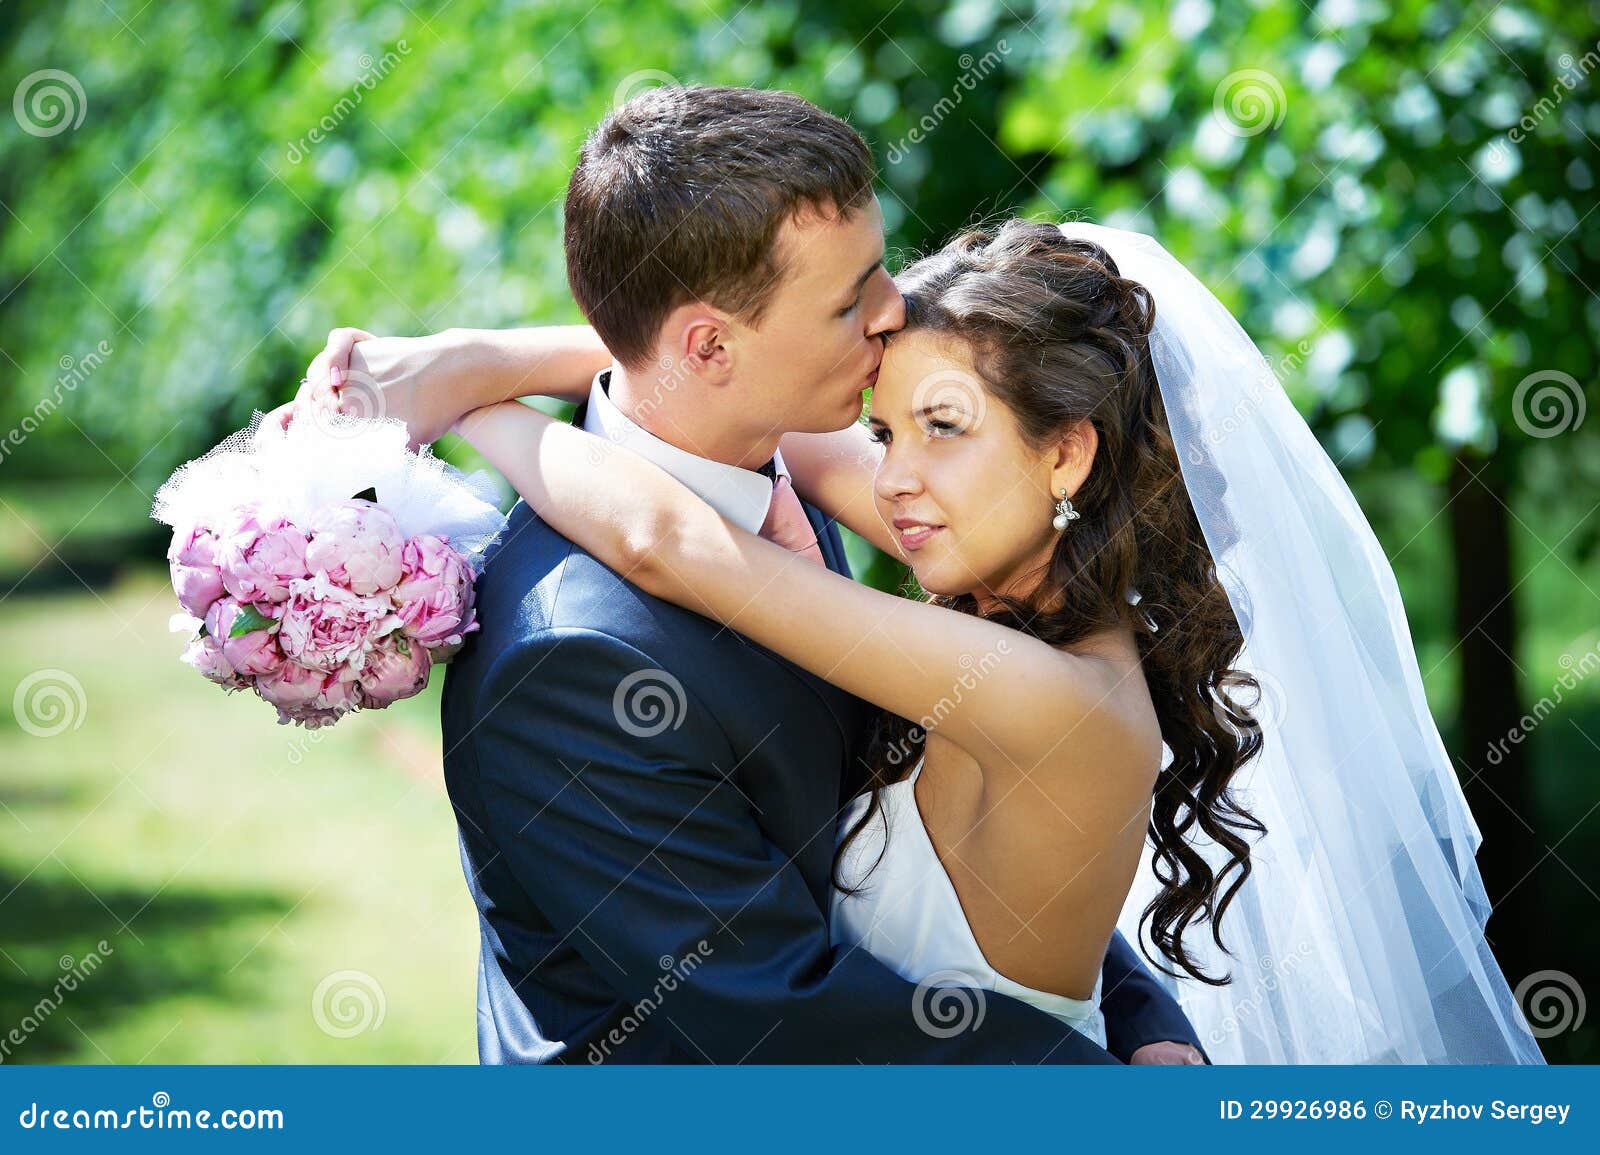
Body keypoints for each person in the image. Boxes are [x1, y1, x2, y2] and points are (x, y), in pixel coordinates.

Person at [282, 86, 1204, 1064]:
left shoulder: (801, 470)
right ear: (712, 345)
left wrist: (469, 377)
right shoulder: (570, 655)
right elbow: (779, 1020)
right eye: (852, 299)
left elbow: (990, 849)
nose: (892, 312)